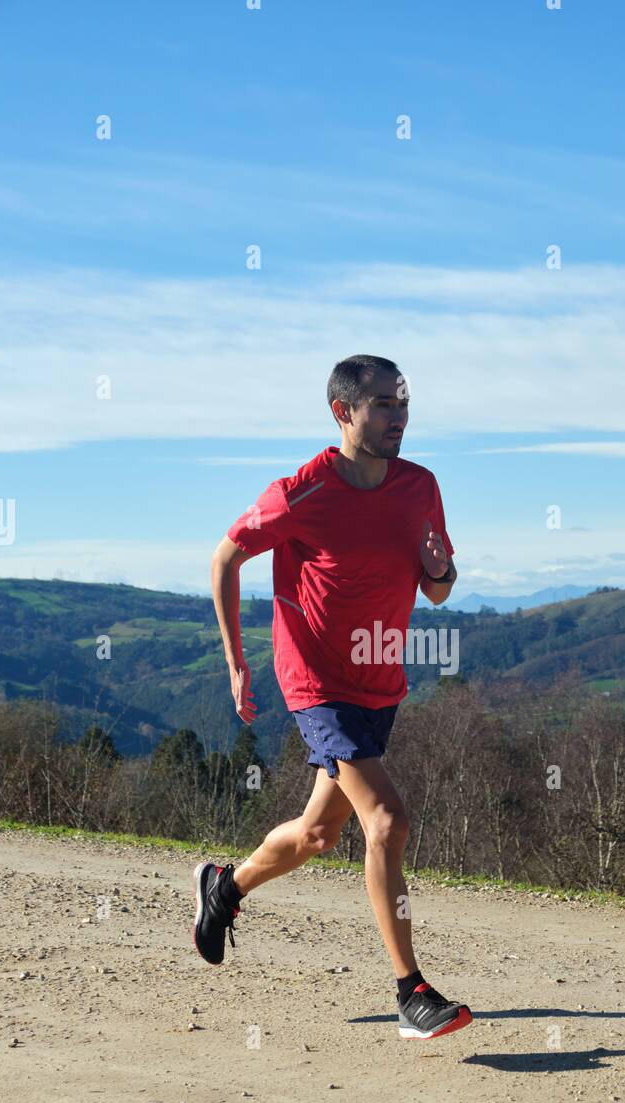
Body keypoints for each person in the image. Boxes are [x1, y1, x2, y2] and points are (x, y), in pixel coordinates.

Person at [192, 354, 472, 1041]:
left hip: (379, 681)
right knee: (387, 822)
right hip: (315, 684)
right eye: (381, 404)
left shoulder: (419, 486)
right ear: (342, 412)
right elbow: (225, 557)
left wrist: (440, 570)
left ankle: (224, 887)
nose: (397, 416)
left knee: (319, 834)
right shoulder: (302, 492)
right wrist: (237, 662)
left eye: (402, 403)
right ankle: (411, 992)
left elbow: (438, 586)